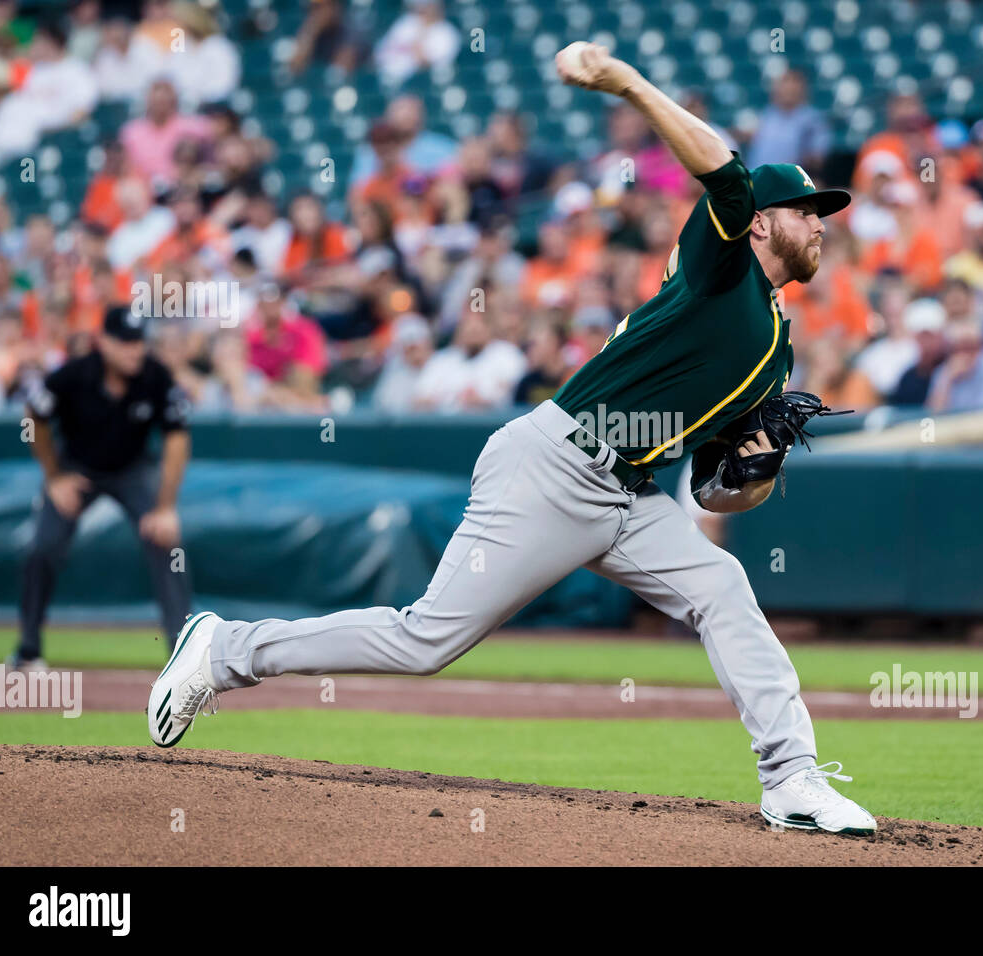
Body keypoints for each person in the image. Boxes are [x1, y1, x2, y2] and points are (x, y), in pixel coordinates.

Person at [147, 41, 877, 837]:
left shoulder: (777, 348)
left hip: (629, 493)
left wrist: (755, 474)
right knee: (426, 640)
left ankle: (791, 779)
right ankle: (224, 651)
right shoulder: (724, 264)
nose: (821, 226)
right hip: (554, 465)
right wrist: (625, 81)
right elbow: (725, 172)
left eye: (826, 214)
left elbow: (717, 485)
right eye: (810, 212)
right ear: (765, 221)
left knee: (723, 587)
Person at [14, 306, 192, 670]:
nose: (134, 351)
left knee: (167, 542)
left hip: (132, 469)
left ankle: (182, 653)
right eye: (126, 343)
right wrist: (54, 477)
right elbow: (34, 418)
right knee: (43, 546)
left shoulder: (155, 376)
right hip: (76, 469)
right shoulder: (73, 375)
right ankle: (28, 648)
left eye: (139, 342)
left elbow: (176, 438)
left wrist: (166, 506)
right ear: (104, 343)